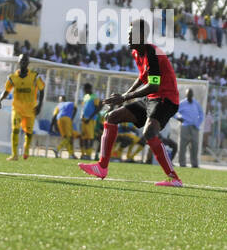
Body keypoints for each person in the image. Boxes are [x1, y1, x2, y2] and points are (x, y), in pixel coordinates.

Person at [79, 18, 184, 187]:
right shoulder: (137, 52)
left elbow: (154, 84)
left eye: (131, 34)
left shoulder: (152, 53)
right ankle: (101, 167)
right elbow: (143, 78)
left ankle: (174, 178)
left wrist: (125, 98)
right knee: (111, 116)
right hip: (152, 98)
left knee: (149, 133)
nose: (128, 37)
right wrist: (125, 96)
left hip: (166, 99)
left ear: (141, 36)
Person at [0, 53, 44, 161]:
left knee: (29, 133)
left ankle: (26, 150)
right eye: (21, 60)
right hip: (17, 108)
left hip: (30, 109)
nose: (23, 63)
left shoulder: (35, 76)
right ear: (18, 62)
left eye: (25, 61)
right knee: (15, 130)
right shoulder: (12, 77)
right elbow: (6, 91)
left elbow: (42, 90)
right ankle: (14, 154)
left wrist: (40, 105)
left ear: (28, 63)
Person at [176, 87, 203, 169]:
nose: (190, 95)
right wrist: (179, 117)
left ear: (192, 95)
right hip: (185, 127)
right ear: (186, 95)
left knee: (195, 146)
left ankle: (194, 164)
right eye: (188, 94)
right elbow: (175, 112)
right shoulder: (182, 103)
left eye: (191, 94)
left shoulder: (196, 103)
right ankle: (182, 163)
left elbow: (201, 114)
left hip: (194, 127)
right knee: (182, 146)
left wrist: (198, 124)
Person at [51, 94, 78, 159]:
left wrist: (53, 126)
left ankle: (71, 155)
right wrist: (72, 117)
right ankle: (57, 149)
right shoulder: (71, 103)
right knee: (69, 137)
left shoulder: (58, 105)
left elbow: (54, 116)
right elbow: (75, 108)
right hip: (67, 119)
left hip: (59, 119)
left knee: (66, 138)